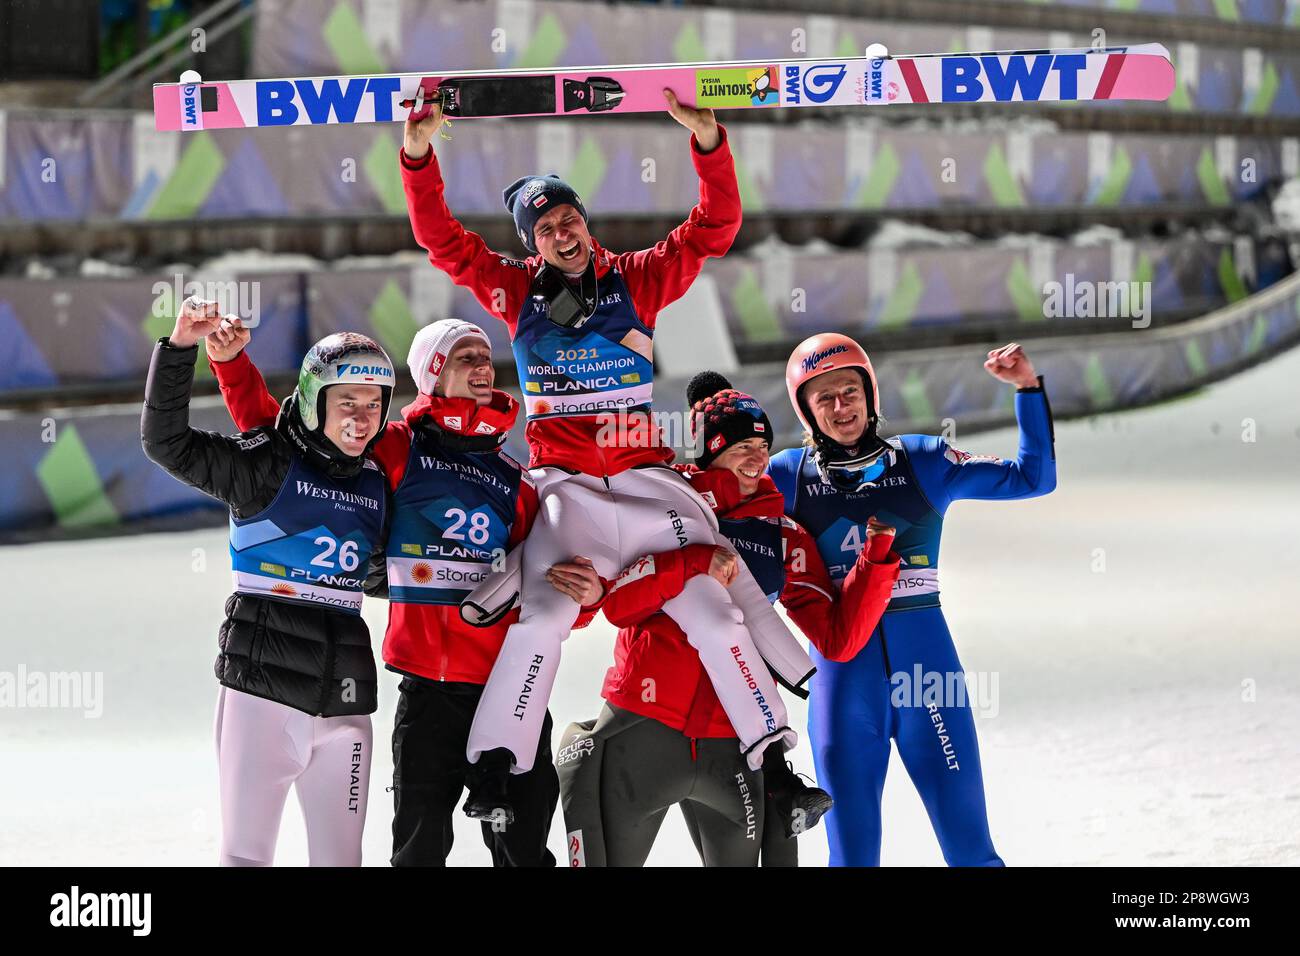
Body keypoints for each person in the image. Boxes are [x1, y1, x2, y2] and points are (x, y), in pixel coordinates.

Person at [400, 89, 818, 823]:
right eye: (546, 226)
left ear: (585, 223)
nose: (562, 232)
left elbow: (714, 228)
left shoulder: (637, 279)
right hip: (571, 500)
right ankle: (495, 768)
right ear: (531, 242)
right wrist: (418, 155)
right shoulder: (514, 290)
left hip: (649, 491)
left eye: (569, 218)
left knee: (718, 620)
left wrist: (709, 144)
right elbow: (442, 240)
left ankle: (776, 765)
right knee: (539, 621)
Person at [205, 316, 605, 866]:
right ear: (434, 372)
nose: (483, 367)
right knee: (417, 854)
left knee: (524, 854)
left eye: (485, 356)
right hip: (427, 694)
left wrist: (585, 600)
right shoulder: (393, 448)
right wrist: (231, 366)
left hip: (511, 692)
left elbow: (549, 592)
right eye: (465, 357)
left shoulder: (519, 481)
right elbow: (282, 446)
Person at [557, 373, 901, 866]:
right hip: (646, 718)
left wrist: (877, 560)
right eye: (741, 444)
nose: (757, 455)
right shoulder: (661, 502)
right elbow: (620, 604)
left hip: (733, 741)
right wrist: (692, 560)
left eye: (762, 443)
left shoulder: (782, 533)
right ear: (709, 449)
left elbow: (838, 639)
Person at [767, 336, 1058, 866]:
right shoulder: (787, 476)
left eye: (850, 391)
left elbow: (1034, 479)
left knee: (971, 850)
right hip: (843, 682)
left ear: (870, 394)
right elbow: (714, 517)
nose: (841, 406)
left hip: (930, 676)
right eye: (824, 397)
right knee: (852, 859)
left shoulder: (924, 459)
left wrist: (1027, 389)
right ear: (805, 410)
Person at [141, 298, 394, 866]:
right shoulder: (265, 463)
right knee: (246, 858)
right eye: (346, 401)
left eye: (374, 404)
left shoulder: (376, 482)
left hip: (348, 702)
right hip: (263, 693)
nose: (361, 417)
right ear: (312, 402)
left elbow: (384, 573)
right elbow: (167, 444)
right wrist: (181, 347)